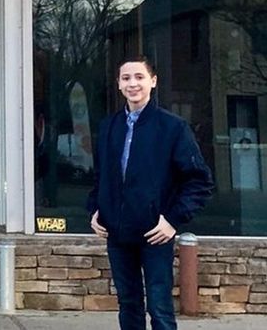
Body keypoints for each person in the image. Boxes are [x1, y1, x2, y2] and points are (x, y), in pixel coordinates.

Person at [86, 56, 213, 330]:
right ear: (119, 85)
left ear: (153, 82)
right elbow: (103, 176)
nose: (133, 83)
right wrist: (96, 208)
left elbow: (199, 181)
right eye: (126, 78)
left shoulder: (173, 127)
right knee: (128, 305)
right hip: (117, 234)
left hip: (155, 233)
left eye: (139, 77)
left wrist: (172, 220)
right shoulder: (110, 126)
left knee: (160, 308)